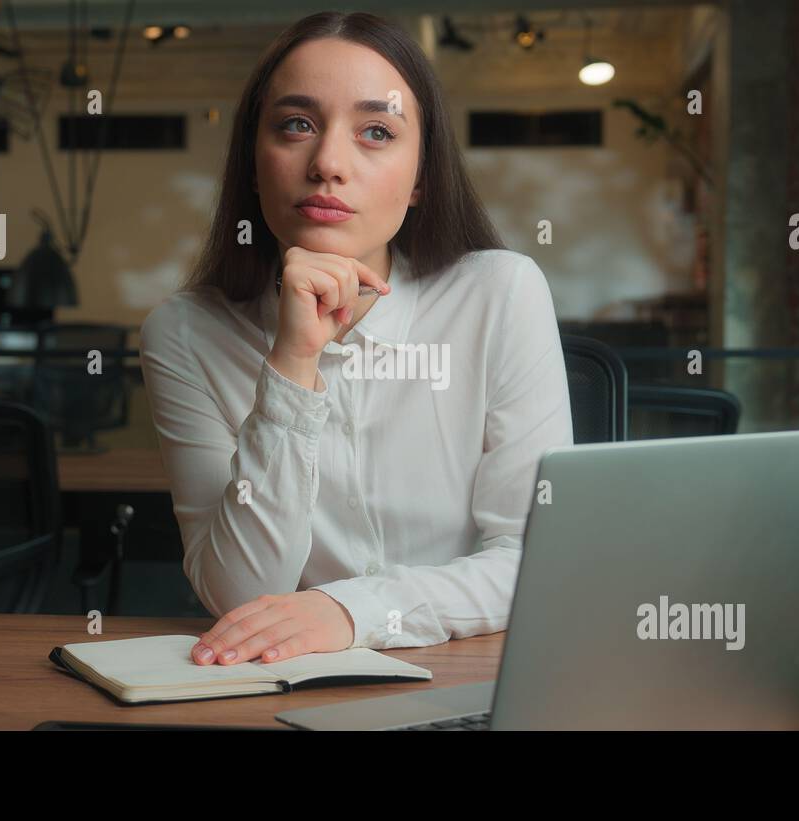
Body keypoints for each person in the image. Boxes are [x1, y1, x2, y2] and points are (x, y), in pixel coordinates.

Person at [139, 11, 572, 667]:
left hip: (477, 670)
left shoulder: (500, 293)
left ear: (422, 176)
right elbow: (239, 594)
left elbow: (537, 560)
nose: (329, 164)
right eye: (296, 124)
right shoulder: (185, 331)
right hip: (286, 681)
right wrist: (292, 361)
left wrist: (352, 610)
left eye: (377, 131)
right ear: (253, 164)